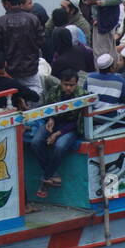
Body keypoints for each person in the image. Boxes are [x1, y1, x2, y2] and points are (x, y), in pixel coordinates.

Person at [29, 69, 82, 198]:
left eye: (72, 85)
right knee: (35, 142)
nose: (68, 88)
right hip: (54, 124)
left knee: (60, 146)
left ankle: (45, 179)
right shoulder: (54, 91)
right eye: (66, 84)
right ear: (61, 83)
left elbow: (77, 123)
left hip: (70, 129)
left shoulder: (81, 96)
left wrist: (57, 133)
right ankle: (54, 175)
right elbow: (48, 110)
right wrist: (50, 119)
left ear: (76, 84)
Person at [0, 0, 45, 99]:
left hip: (11, 72)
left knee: (15, 99)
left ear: (6, 4)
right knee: (36, 96)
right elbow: (41, 42)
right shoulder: (33, 19)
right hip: (31, 69)